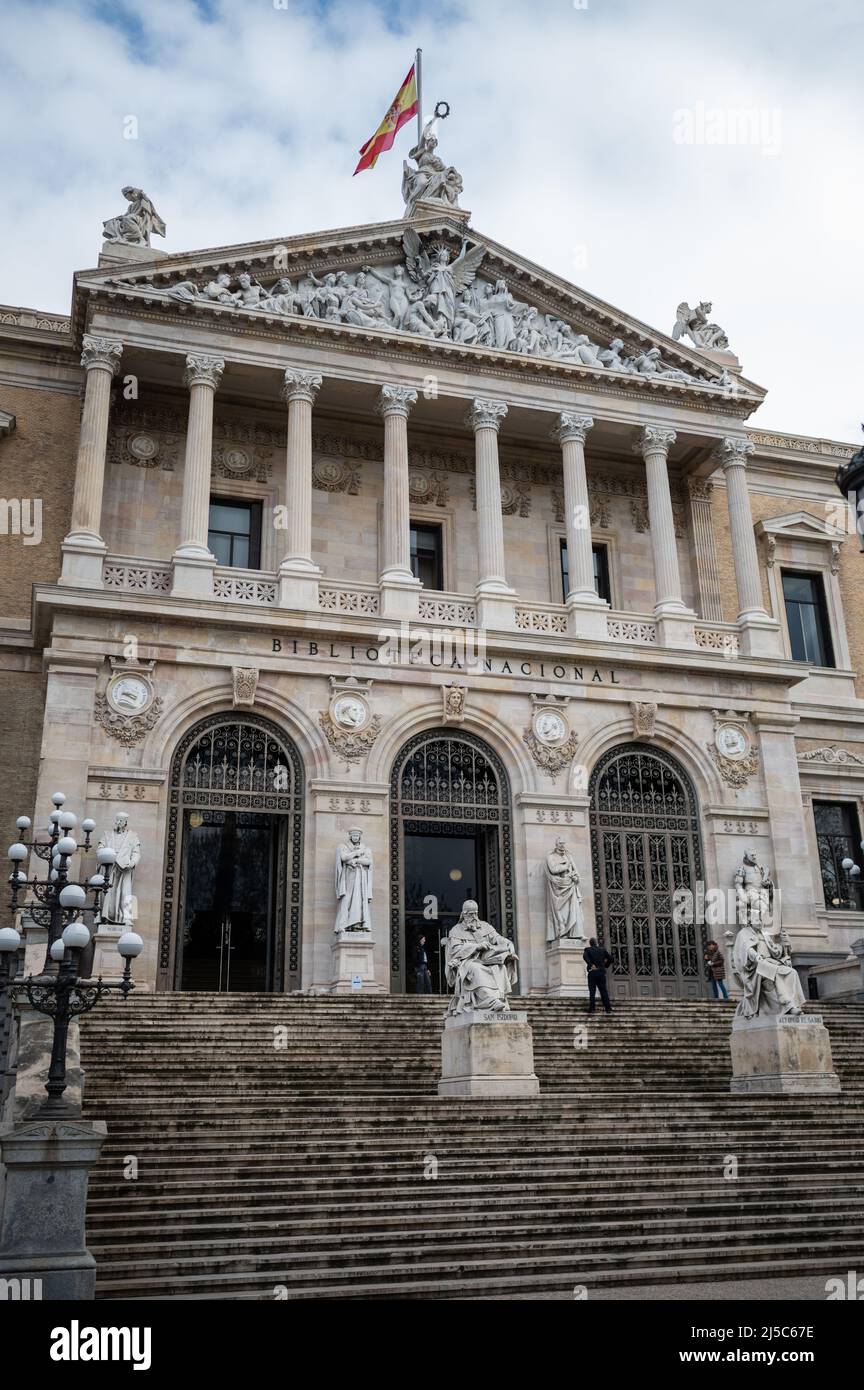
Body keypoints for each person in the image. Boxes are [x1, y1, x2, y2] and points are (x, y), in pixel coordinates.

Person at [582, 937, 613, 1015]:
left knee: (592, 991)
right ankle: (608, 1008)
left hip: (592, 973)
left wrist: (591, 964)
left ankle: (592, 1008)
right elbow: (611, 959)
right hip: (601, 972)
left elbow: (585, 957)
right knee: (603, 991)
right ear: (596, 943)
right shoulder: (602, 950)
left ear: (590, 943)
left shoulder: (588, 950)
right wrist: (606, 965)